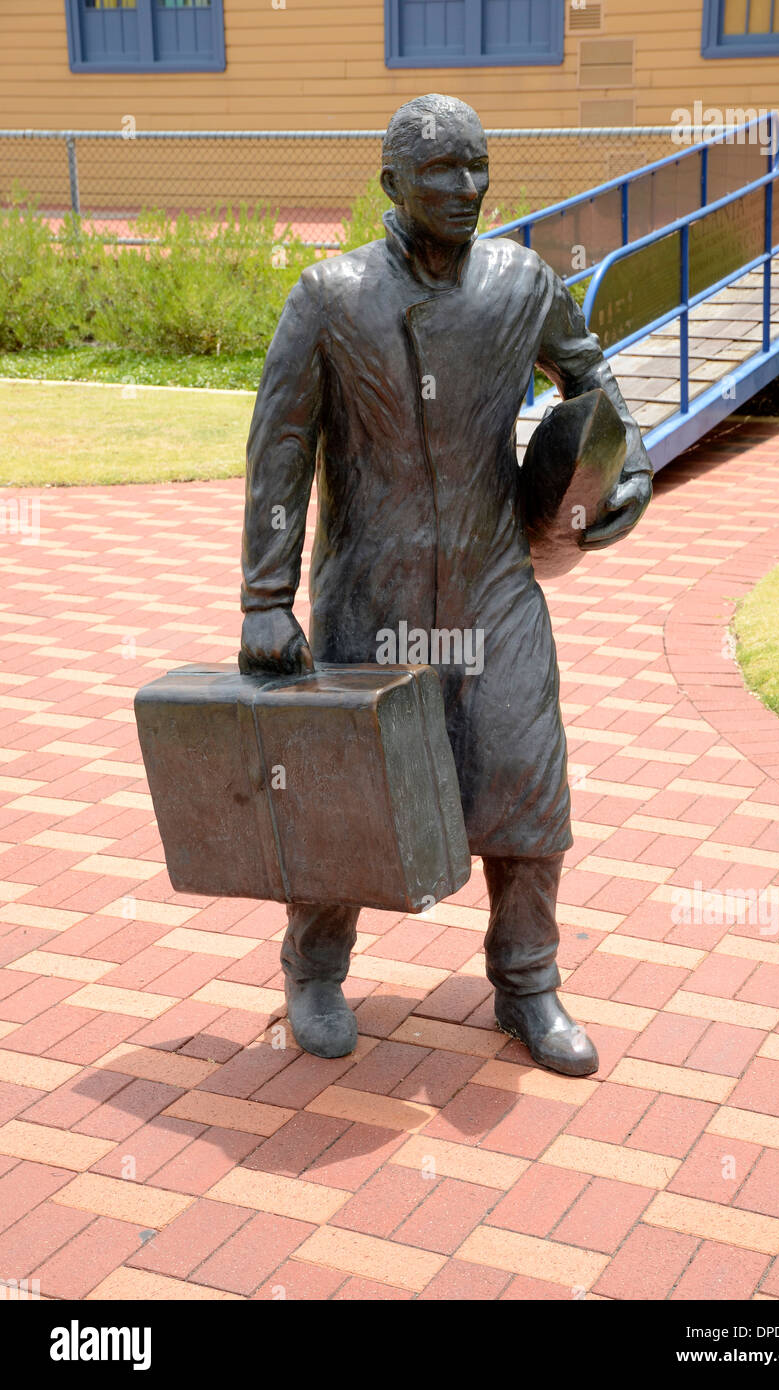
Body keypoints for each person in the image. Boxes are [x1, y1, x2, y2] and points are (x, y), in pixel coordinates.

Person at [239, 94, 653, 1076]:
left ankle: (528, 981)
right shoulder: (330, 295)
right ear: (391, 182)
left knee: (526, 781)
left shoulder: (522, 282)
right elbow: (280, 448)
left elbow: (593, 386)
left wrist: (621, 472)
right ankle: (314, 970)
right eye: (439, 170)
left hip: (494, 587)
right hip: (369, 594)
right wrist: (265, 599)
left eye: (477, 166)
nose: (465, 187)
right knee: (348, 794)